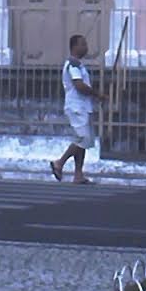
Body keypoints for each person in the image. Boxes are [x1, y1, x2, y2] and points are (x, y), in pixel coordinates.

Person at [50, 33, 98, 185]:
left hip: (82, 106)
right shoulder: (73, 65)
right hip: (76, 107)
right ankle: (60, 162)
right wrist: (97, 94)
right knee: (82, 138)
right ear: (75, 47)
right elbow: (79, 85)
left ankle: (78, 174)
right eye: (83, 44)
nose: (86, 47)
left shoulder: (78, 65)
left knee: (84, 141)